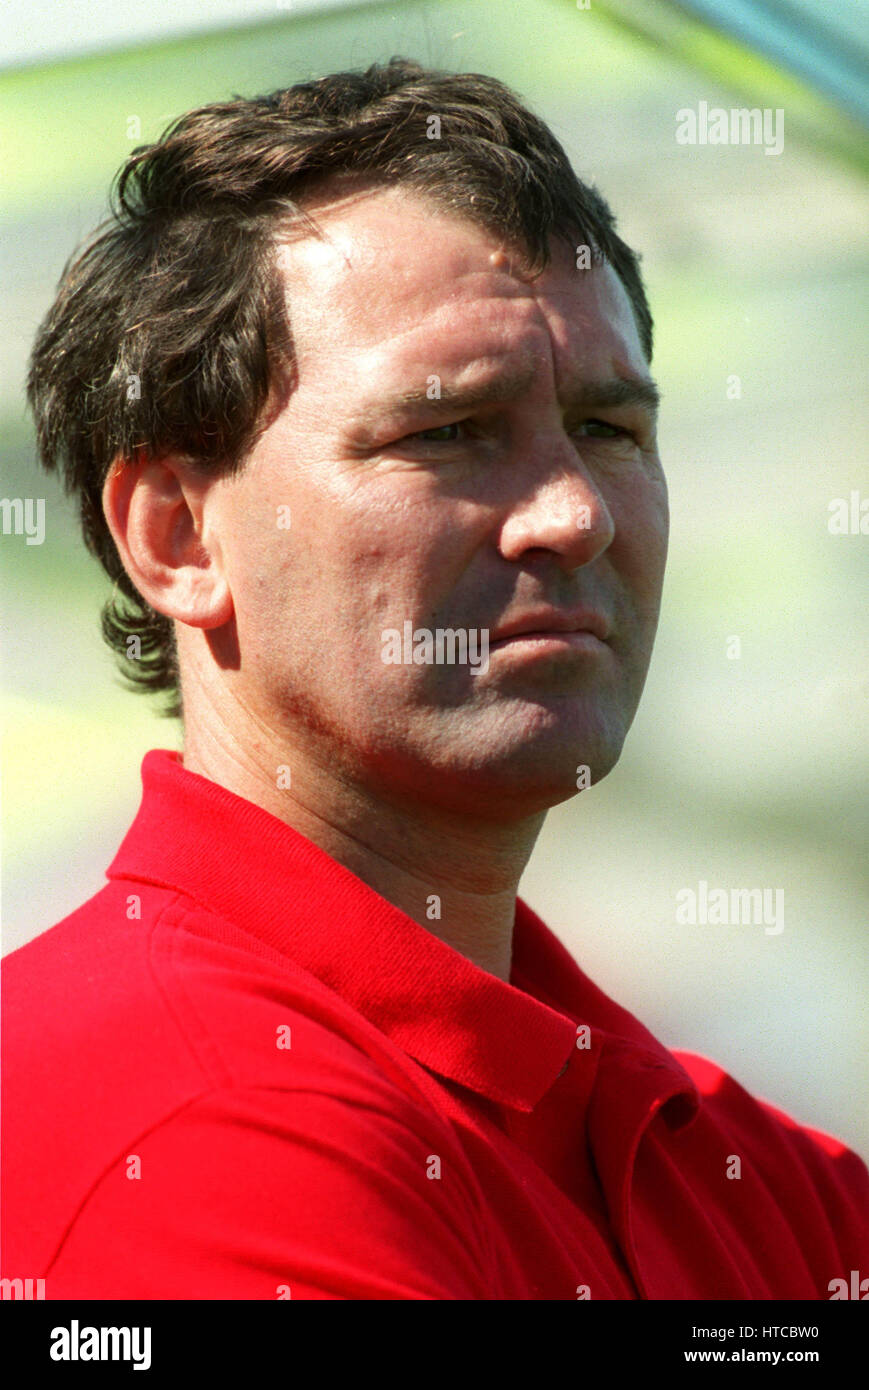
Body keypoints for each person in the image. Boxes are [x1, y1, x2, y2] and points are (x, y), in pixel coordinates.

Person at [2, 57, 866, 1301]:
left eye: (610, 429)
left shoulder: (750, 1170)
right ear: (179, 539)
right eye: (447, 431)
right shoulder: (186, 1115)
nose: (570, 514)